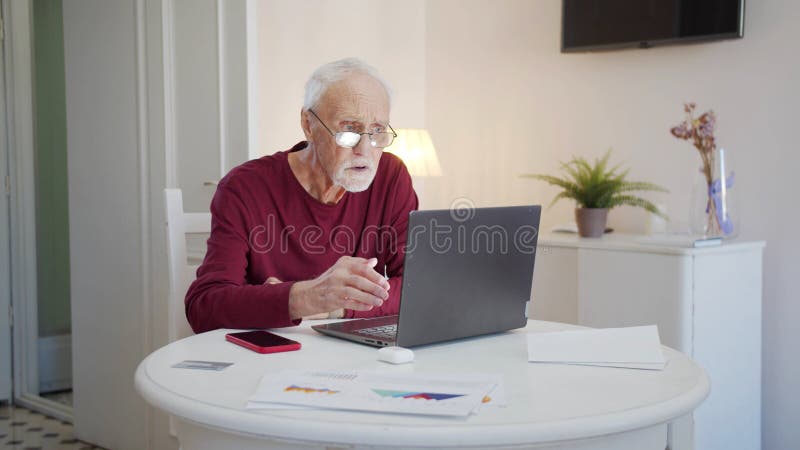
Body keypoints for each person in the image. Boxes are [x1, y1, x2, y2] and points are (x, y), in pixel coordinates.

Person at [185, 58, 418, 333]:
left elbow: (420, 286)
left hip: (357, 359)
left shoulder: (391, 176)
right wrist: (306, 296)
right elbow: (204, 306)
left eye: (378, 131)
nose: (365, 150)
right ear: (308, 124)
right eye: (349, 130)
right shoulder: (244, 188)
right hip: (266, 357)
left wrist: (330, 306)